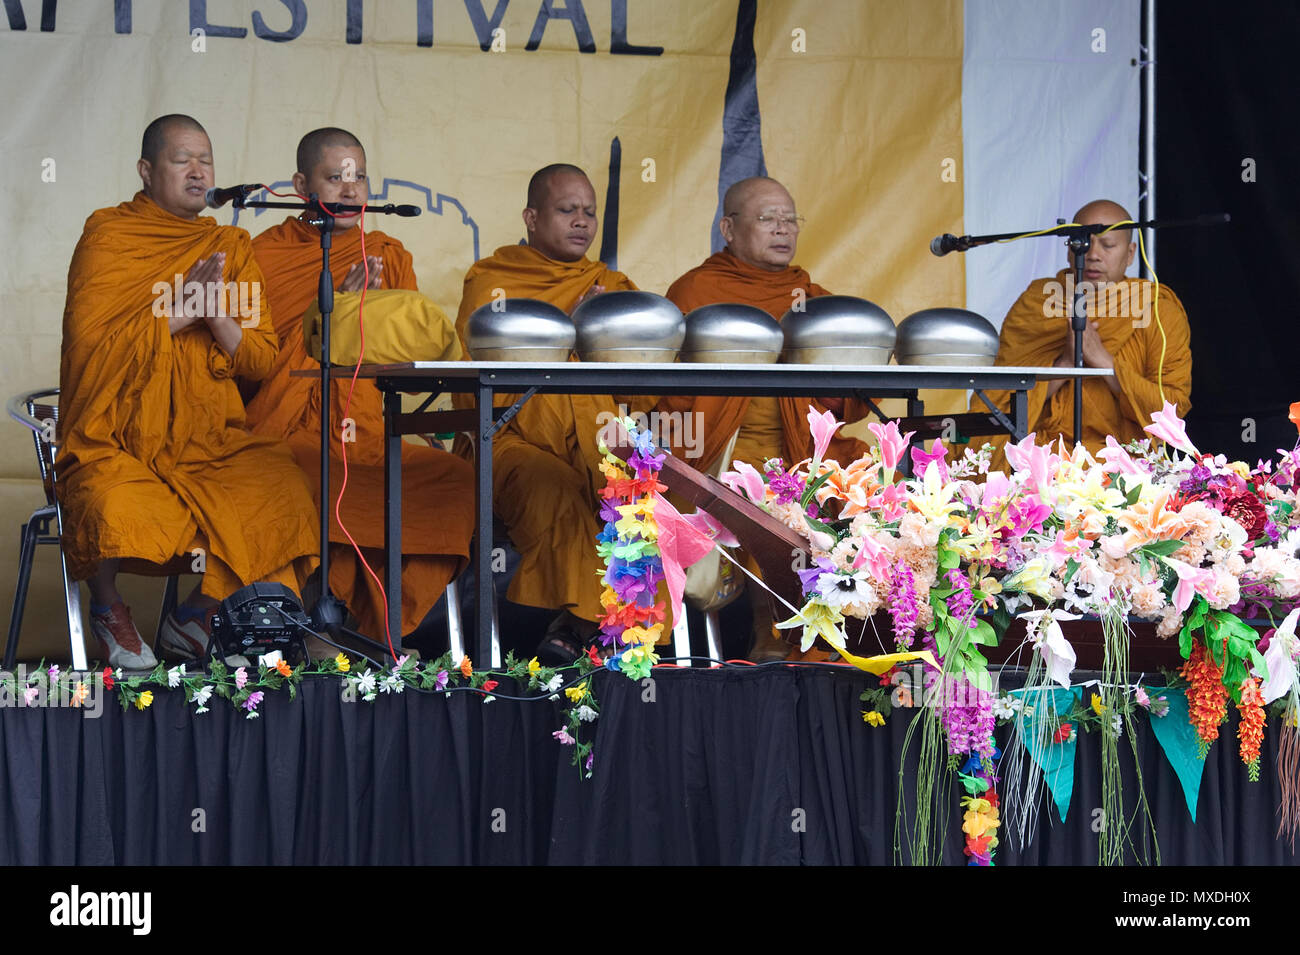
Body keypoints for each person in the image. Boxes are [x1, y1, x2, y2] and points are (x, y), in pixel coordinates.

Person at [57, 114, 319, 668]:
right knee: (111, 502)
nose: (199, 172)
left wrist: (218, 315)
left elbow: (259, 358)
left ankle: (199, 614)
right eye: (183, 160)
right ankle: (108, 609)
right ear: (147, 171)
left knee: (281, 486)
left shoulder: (230, 245)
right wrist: (178, 313)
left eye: (206, 160)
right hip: (118, 437)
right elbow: (89, 350)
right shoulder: (109, 235)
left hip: (208, 441)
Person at [244, 127, 474, 647]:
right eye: (335, 178)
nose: (350, 191)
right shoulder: (264, 255)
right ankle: (323, 627)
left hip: (366, 431)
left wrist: (365, 316)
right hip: (285, 431)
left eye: (359, 177)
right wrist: (331, 317)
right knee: (309, 478)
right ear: (302, 184)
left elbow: (409, 368)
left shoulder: (387, 254)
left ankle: (370, 635)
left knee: (455, 481)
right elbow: (248, 366)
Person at [662, 176, 871, 660]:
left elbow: (854, 398)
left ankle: (853, 638)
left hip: (804, 454)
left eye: (789, 218)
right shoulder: (697, 291)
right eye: (767, 219)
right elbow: (663, 393)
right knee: (761, 500)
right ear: (728, 228)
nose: (782, 229)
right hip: (720, 452)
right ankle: (776, 636)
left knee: (868, 491)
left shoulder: (812, 297)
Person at [454, 164, 648, 661]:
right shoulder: (494, 281)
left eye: (589, 212)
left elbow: (642, 380)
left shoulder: (610, 284)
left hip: (597, 439)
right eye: (567, 210)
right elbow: (480, 378)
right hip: (506, 436)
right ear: (532, 217)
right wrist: (569, 326)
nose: (581, 222)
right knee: (561, 495)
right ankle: (584, 626)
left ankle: (585, 633)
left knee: (639, 501)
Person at [984, 199, 1192, 457]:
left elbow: (1171, 410)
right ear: (1070, 251)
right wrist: (1067, 363)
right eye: (1083, 243)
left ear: (1129, 254)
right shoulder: (1037, 303)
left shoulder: (1155, 310)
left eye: (1108, 245)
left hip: (1123, 463)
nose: (1093, 254)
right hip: (1042, 461)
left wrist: (1105, 363)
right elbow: (997, 404)